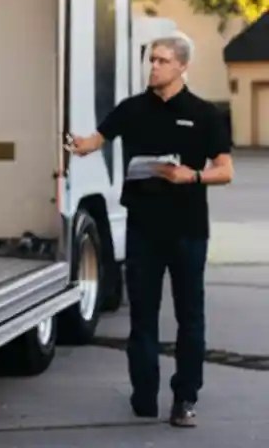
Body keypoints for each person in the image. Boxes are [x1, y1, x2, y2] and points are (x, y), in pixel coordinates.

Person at [67, 33, 233, 428]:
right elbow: (94, 141)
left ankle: (184, 399)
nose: (153, 67)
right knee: (142, 317)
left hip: (189, 232)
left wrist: (189, 176)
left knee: (190, 318)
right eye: (152, 60)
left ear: (181, 66)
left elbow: (225, 170)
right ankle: (144, 394)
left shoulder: (205, 113)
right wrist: (75, 144)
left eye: (161, 61)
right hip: (143, 230)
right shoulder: (132, 109)